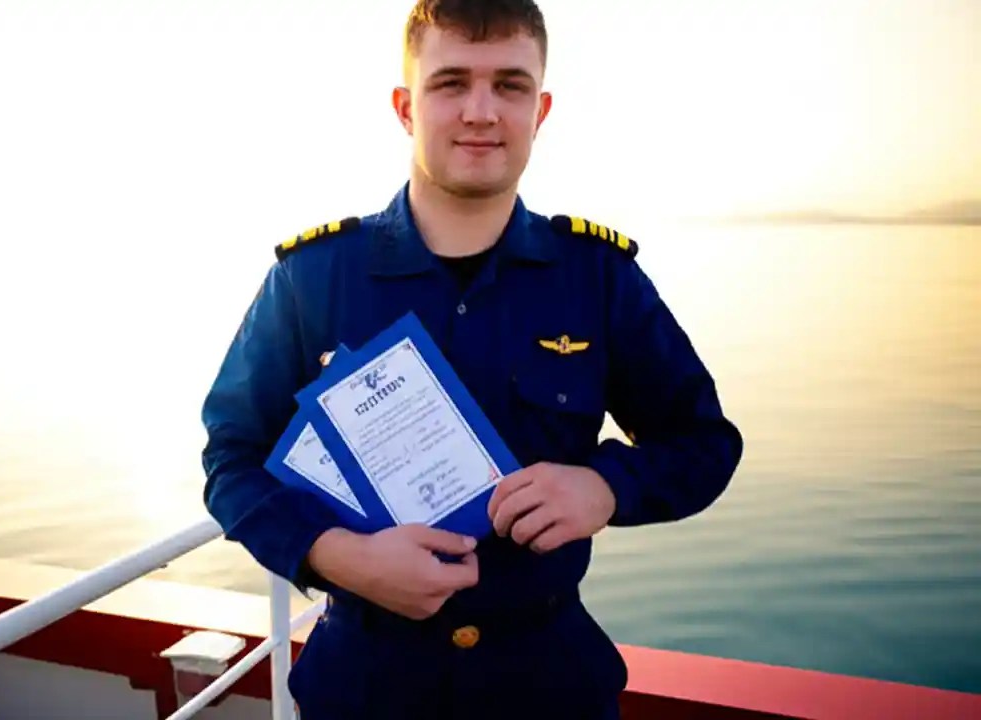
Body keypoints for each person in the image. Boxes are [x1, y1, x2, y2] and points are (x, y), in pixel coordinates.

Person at [199, 0, 743, 717]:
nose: (481, 111)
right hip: (365, 689)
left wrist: (606, 488)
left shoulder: (598, 279)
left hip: (547, 688)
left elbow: (703, 444)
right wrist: (334, 556)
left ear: (540, 110)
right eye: (451, 82)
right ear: (405, 106)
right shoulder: (312, 279)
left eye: (510, 85)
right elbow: (231, 459)